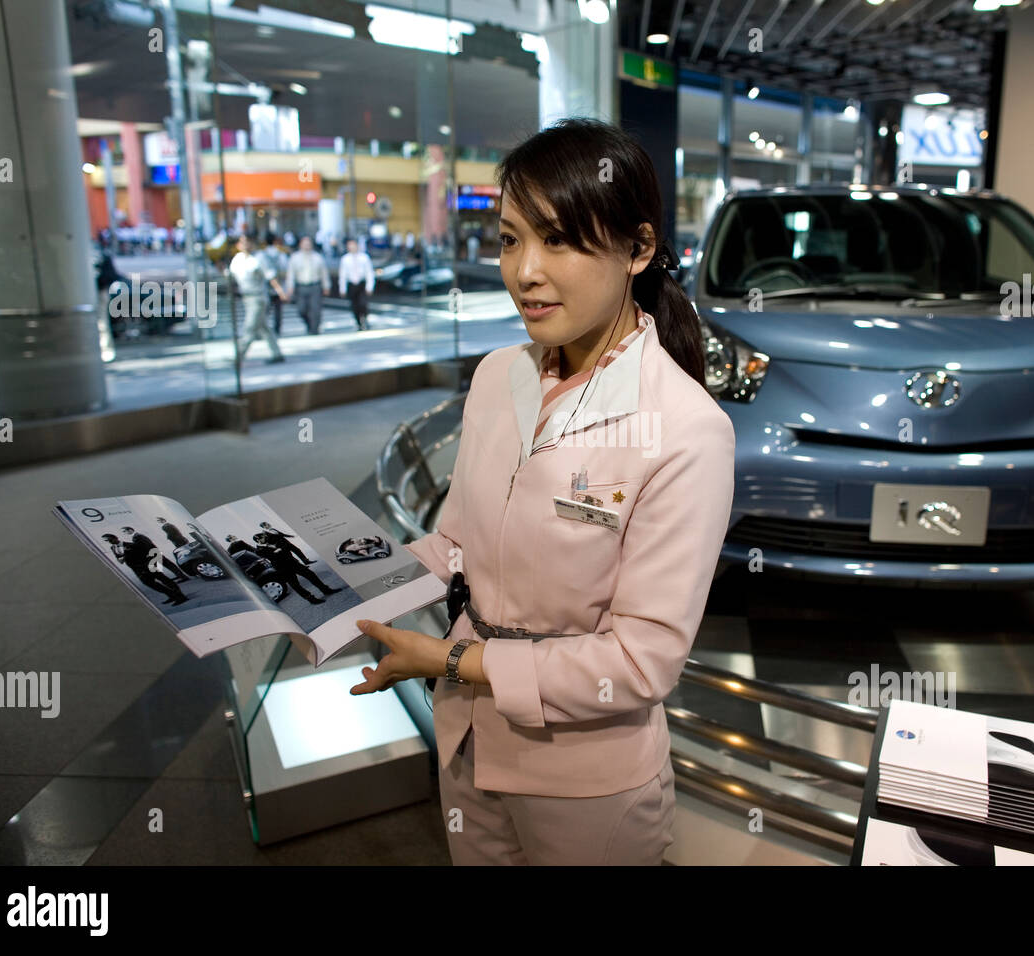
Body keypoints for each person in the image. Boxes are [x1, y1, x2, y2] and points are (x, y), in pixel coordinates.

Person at [348, 118, 735, 865]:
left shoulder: (687, 428)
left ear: (640, 249)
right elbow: (455, 542)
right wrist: (340, 583)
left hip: (586, 780)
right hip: (467, 742)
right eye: (508, 239)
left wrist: (454, 662)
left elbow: (642, 660)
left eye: (557, 239)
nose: (525, 271)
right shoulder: (498, 376)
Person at [228, 233, 288, 365]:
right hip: (246, 298)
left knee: (250, 328)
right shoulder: (237, 259)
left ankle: (239, 357)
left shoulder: (259, 258)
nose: (245, 245)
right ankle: (277, 353)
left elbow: (270, 276)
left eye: (248, 242)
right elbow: (231, 277)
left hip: (258, 298)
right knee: (264, 328)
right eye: (242, 242)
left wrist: (280, 291)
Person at [252, 533, 344, 604]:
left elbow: (286, 547)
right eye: (263, 537)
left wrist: (279, 550)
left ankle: (326, 590)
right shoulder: (259, 550)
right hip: (283, 568)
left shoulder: (272, 541)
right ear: (258, 540)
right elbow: (273, 556)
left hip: (293, 563)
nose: (266, 538)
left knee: (311, 575)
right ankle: (310, 598)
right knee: (295, 584)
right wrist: (279, 550)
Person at [104, 533, 188, 605]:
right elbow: (120, 560)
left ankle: (181, 596)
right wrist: (122, 558)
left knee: (164, 579)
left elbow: (146, 553)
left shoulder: (132, 545)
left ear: (115, 538)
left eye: (110, 539)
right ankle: (171, 595)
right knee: (150, 584)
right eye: (107, 541)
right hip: (137, 570)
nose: (109, 542)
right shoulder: (113, 548)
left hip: (147, 566)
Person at [285, 236, 329, 335]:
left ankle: (314, 328)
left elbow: (324, 273)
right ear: (300, 244)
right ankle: (309, 323)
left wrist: (326, 286)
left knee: (316, 309)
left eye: (308, 243)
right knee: (301, 309)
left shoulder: (317, 257)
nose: (307, 246)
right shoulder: (295, 257)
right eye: (304, 243)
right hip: (301, 286)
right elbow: (291, 274)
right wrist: (289, 288)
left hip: (315, 285)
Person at [120, 525, 189, 583]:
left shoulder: (138, 536)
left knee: (165, 565)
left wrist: (126, 544)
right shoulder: (137, 536)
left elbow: (142, 545)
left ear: (130, 530)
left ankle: (182, 577)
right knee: (166, 564)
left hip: (152, 553)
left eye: (124, 531)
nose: (124, 533)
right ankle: (180, 576)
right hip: (153, 552)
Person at [338, 237, 374, 331]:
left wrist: (369, 286)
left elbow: (369, 272)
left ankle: (365, 319)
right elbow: (343, 275)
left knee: (363, 304)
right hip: (351, 284)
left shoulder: (364, 257)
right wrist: (343, 288)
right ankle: (358, 322)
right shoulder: (345, 259)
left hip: (361, 283)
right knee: (354, 305)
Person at [261, 233, 290, 336]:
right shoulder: (281, 255)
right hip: (279, 285)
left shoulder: (261, 255)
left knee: (265, 310)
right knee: (278, 310)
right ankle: (277, 330)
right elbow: (285, 269)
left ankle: (263, 329)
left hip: (265, 287)